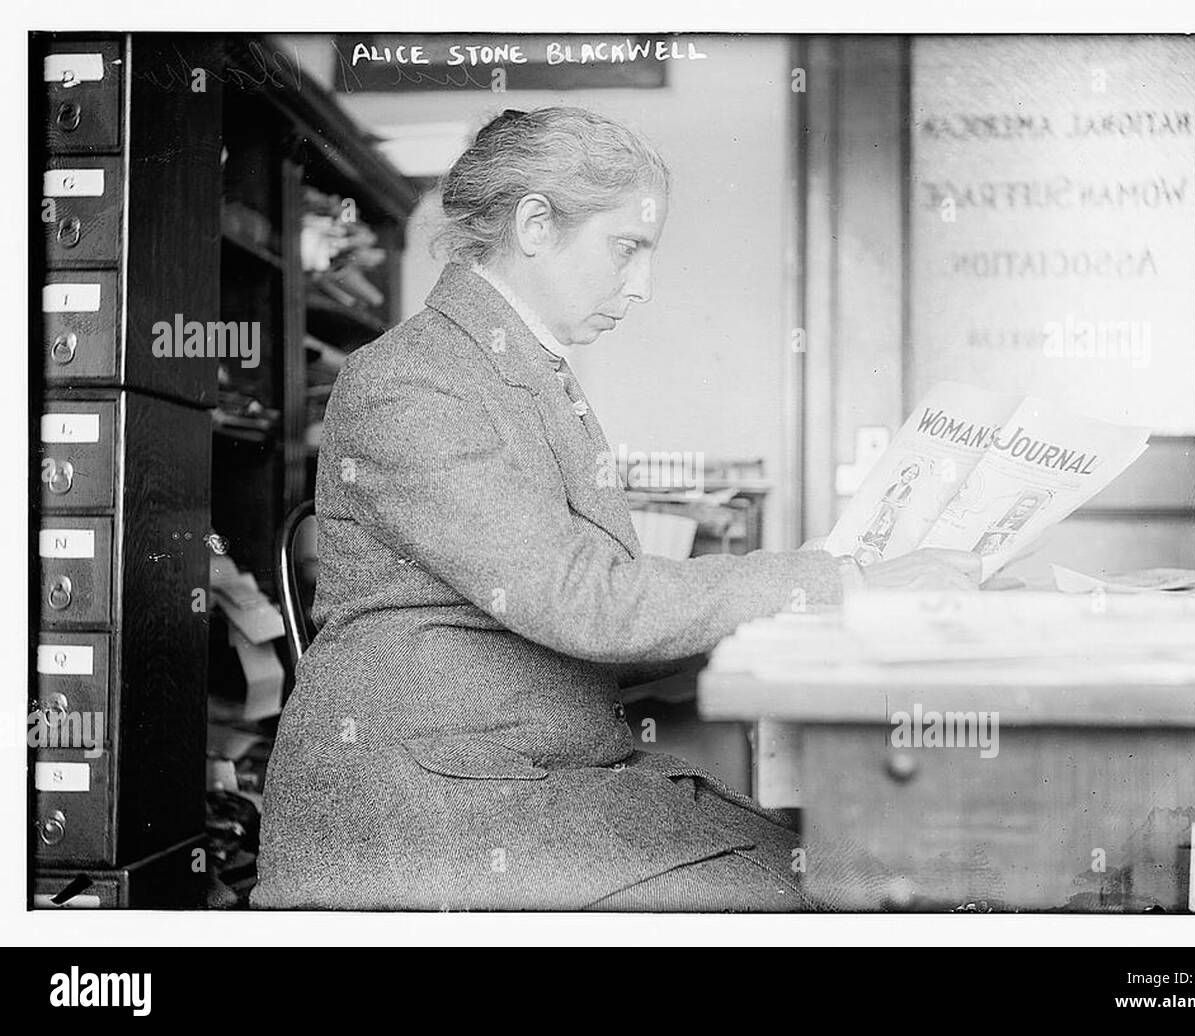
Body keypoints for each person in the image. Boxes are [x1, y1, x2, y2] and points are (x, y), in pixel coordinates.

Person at [251, 107, 979, 912]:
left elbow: (582, 617)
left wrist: (799, 608)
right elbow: (589, 601)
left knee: (835, 872)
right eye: (627, 248)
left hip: (502, 775)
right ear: (534, 225)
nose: (643, 287)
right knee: (821, 894)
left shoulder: (516, 368)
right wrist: (839, 580)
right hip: (423, 810)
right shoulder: (413, 378)